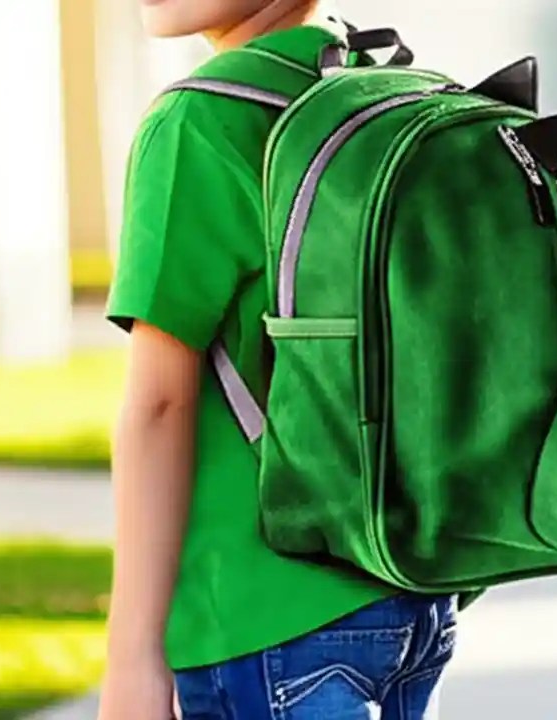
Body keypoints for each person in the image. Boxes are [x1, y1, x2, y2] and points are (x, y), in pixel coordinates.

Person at [98, 2, 457, 719]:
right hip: (410, 594)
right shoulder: (385, 88)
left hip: (264, 613)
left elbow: (160, 404)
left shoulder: (200, 121)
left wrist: (131, 658)